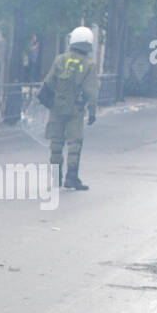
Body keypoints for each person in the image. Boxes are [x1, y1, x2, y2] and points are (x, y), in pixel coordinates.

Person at [40, 26, 100, 190]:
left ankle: (55, 178)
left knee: (56, 143)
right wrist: (92, 111)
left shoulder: (60, 60)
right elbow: (91, 91)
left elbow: (49, 82)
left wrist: (50, 102)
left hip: (57, 107)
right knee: (74, 143)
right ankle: (71, 178)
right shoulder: (89, 65)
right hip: (75, 109)